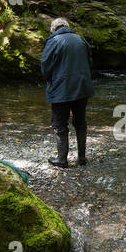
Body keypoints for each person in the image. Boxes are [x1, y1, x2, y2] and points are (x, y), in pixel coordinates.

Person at [40, 17, 93, 168]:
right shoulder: (81, 40)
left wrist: (51, 80)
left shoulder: (53, 41)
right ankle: (81, 158)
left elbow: (45, 67)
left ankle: (62, 160)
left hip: (61, 89)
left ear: (53, 29)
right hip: (82, 88)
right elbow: (90, 63)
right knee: (80, 122)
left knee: (59, 124)